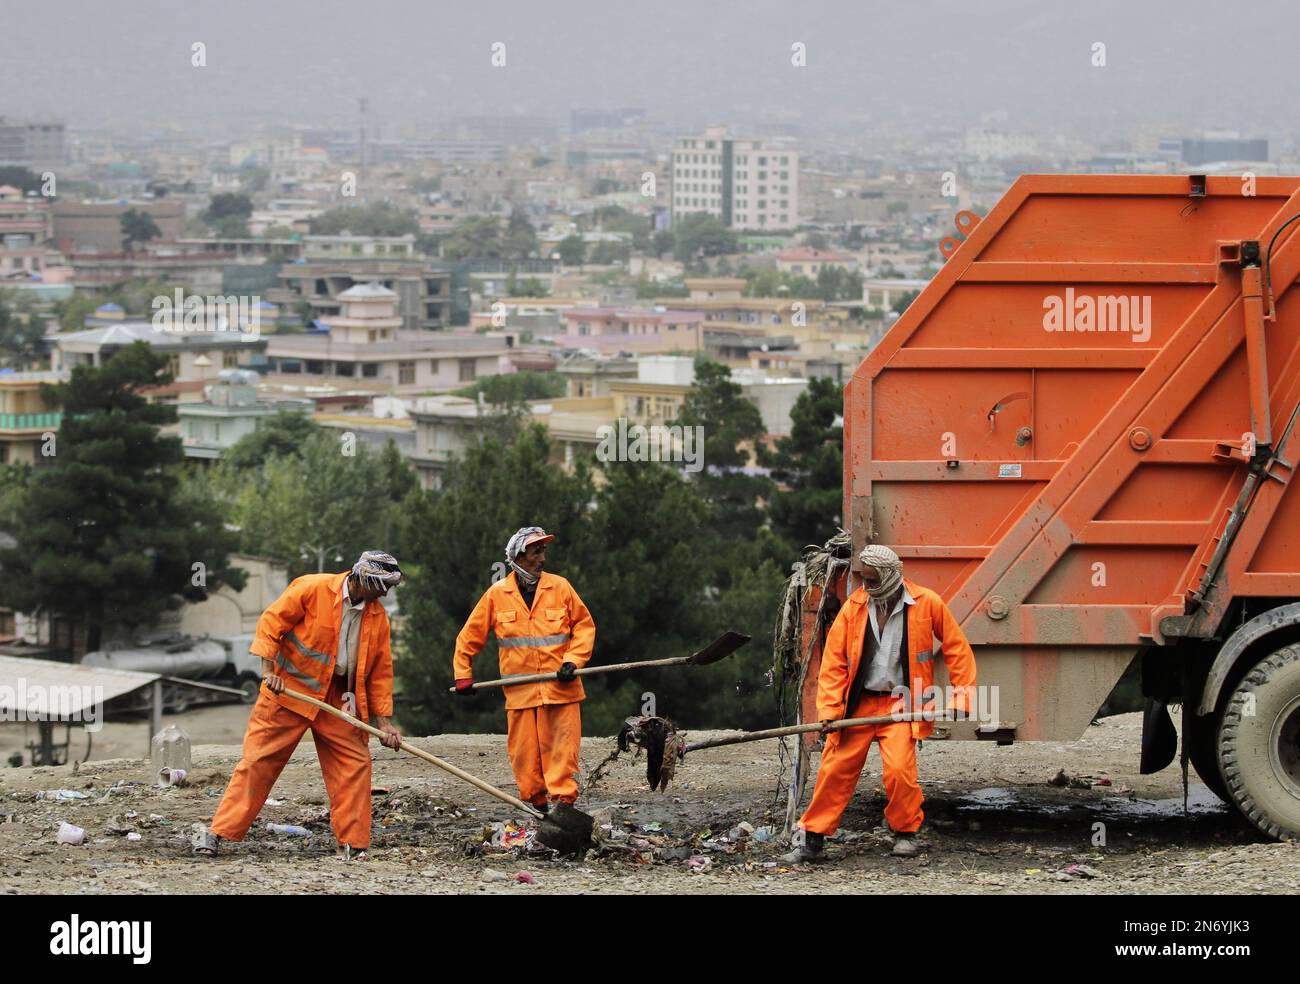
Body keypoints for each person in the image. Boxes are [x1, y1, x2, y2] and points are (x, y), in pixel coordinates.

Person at [194, 551, 404, 858]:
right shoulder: (312, 588)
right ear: (364, 578)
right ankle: (218, 832)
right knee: (258, 763)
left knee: (354, 765)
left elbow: (381, 670)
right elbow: (271, 623)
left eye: (389, 587)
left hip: (338, 698)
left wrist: (383, 722)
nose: (385, 593)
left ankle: (354, 844)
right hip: (290, 691)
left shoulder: (377, 616)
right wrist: (268, 672)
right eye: (382, 586)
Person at [785, 544, 976, 861]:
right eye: (865, 579)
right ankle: (812, 839)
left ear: (889, 575)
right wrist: (830, 710)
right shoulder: (855, 607)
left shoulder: (927, 603)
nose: (866, 586)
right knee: (835, 770)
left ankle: (906, 833)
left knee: (900, 771)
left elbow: (957, 648)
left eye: (872, 580)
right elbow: (834, 663)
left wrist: (963, 693)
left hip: (902, 705)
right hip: (858, 705)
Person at [453, 527, 595, 820]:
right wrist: (463, 674)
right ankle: (537, 807)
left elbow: (584, 627)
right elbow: (469, 637)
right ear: (518, 556)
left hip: (561, 689)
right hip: (521, 692)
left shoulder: (561, 587)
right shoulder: (497, 594)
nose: (542, 558)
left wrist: (573, 660)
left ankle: (564, 808)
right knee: (524, 756)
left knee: (562, 752)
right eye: (535, 552)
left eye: (543, 552)